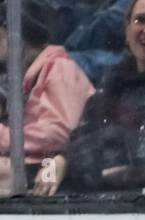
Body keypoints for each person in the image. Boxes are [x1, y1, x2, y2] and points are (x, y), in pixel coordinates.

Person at [41, 0, 145, 196]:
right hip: (103, 195)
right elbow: (87, 135)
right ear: (126, 29)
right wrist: (62, 159)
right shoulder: (111, 81)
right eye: (140, 20)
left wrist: (128, 172)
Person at [0, 0, 96, 194]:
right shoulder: (19, 77)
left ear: (15, 35)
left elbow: (58, 134)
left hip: (54, 172)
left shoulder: (60, 68)